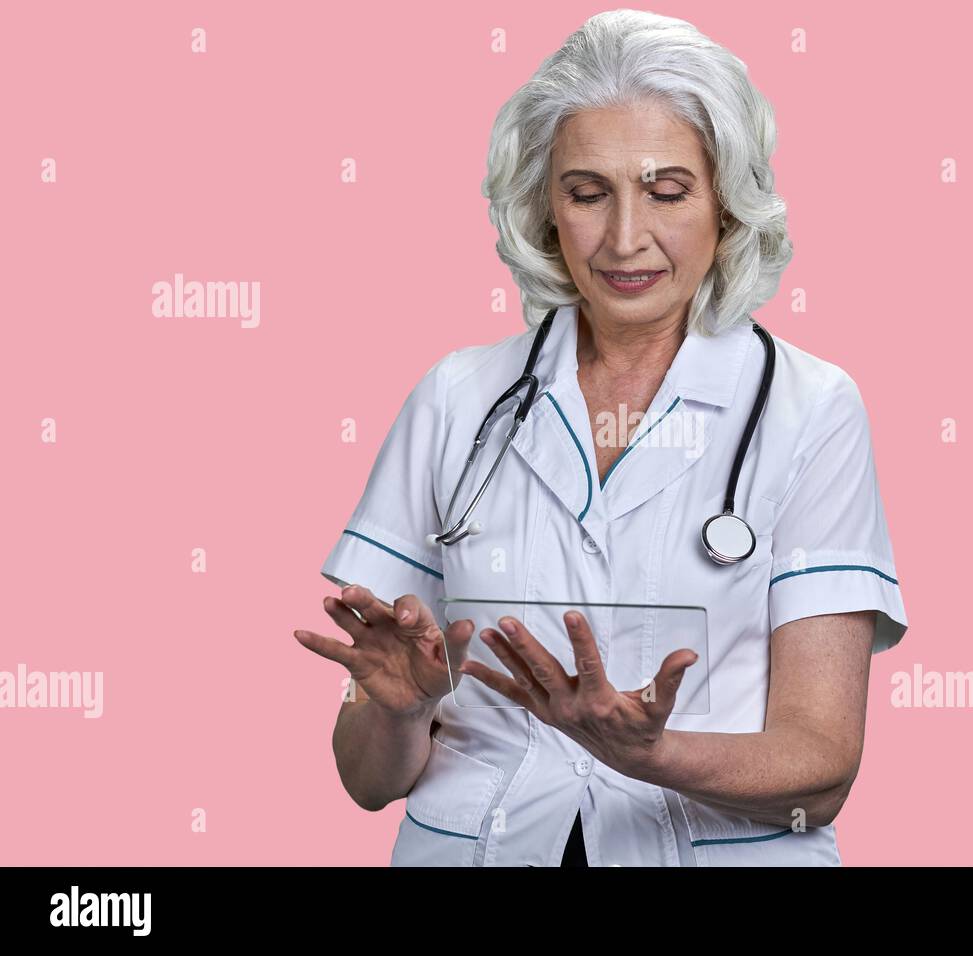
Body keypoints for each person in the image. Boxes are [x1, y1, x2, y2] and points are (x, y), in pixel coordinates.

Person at [293, 9, 908, 867]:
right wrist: (393, 711)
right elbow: (367, 783)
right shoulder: (456, 399)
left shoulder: (812, 410)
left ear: (728, 205)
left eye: (667, 192)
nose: (624, 239)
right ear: (545, 208)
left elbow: (821, 766)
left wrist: (651, 755)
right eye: (588, 194)